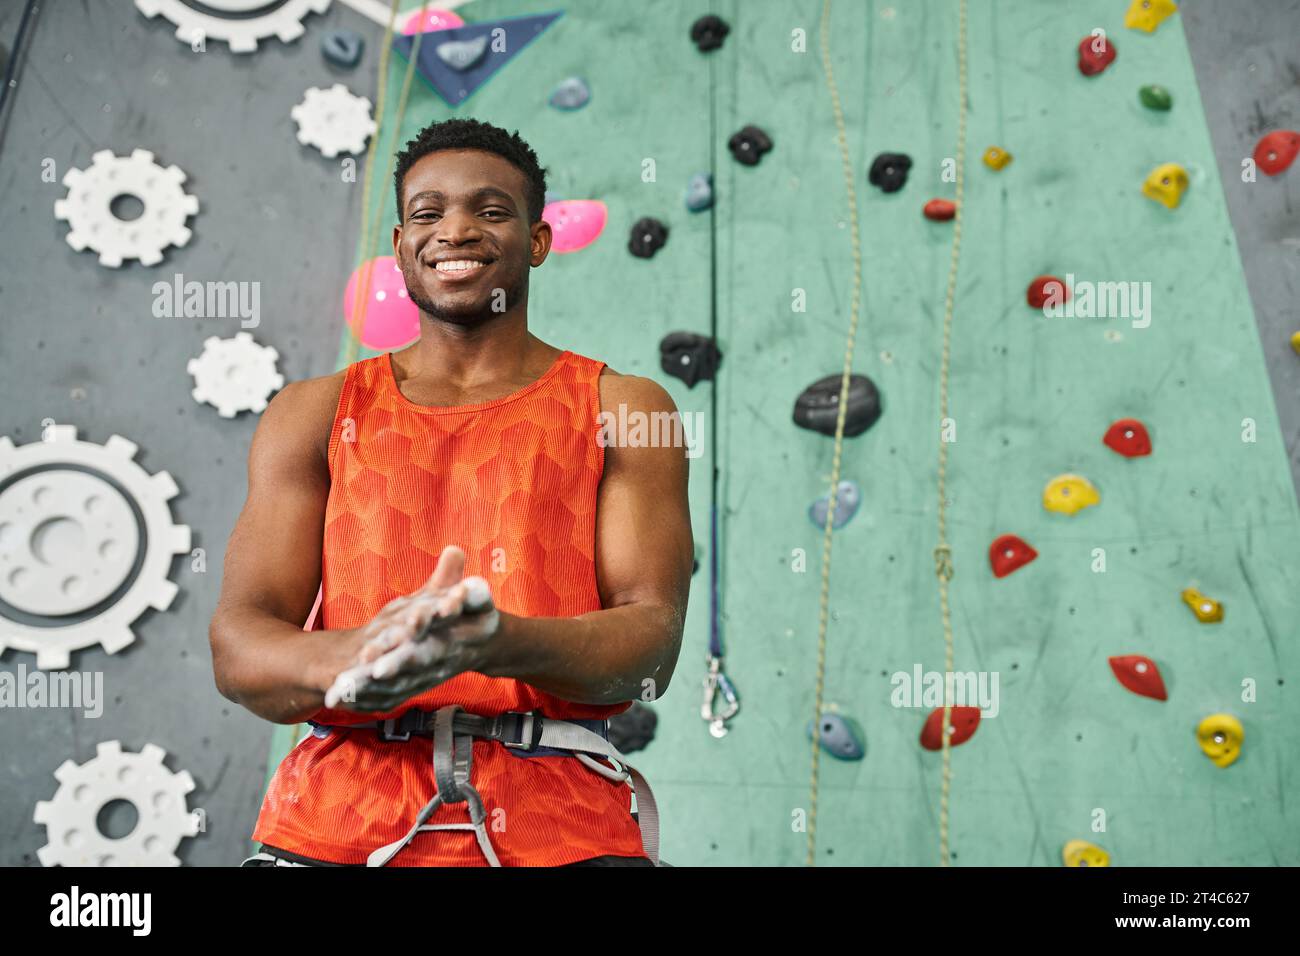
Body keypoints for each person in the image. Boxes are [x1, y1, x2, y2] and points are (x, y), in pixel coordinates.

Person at [210, 118, 693, 866]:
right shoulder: (312, 413)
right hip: (333, 827)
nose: (456, 230)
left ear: (538, 240)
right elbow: (239, 646)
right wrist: (354, 658)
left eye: (491, 210)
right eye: (429, 214)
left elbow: (651, 650)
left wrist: (500, 642)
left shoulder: (624, 408)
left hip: (562, 831)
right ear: (402, 244)